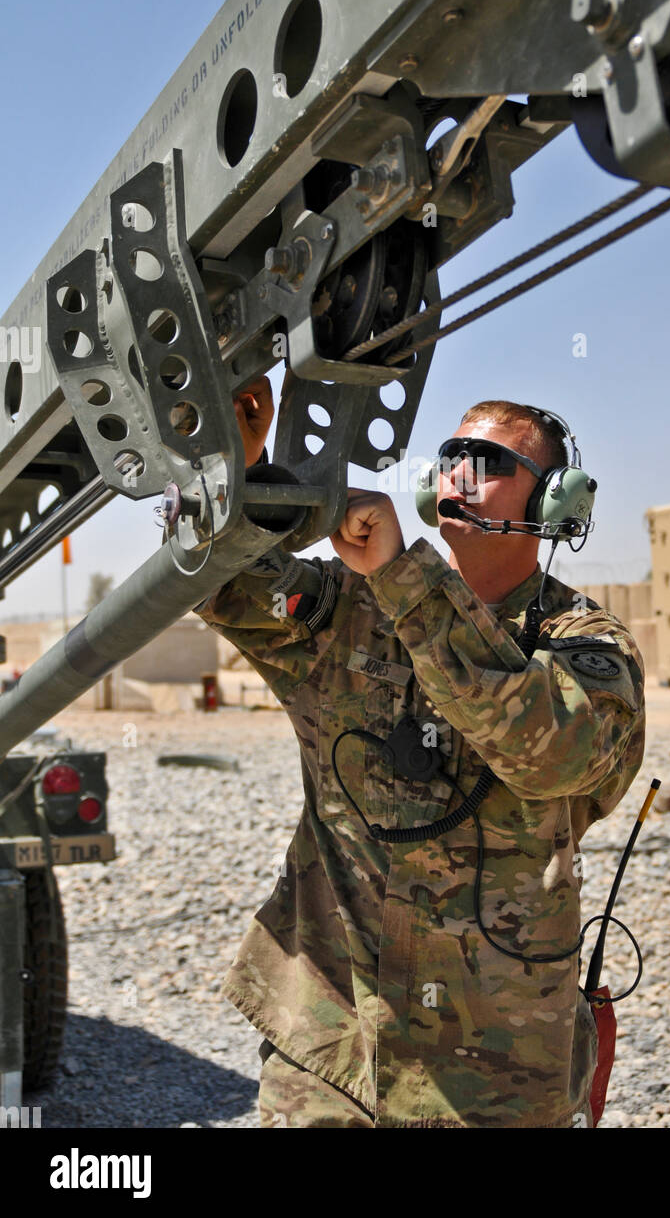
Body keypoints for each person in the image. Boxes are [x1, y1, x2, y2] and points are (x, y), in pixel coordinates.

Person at [194, 377, 646, 1128]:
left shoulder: (586, 647)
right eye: (450, 458)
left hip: (491, 1071)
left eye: (489, 462)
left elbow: (550, 754)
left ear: (551, 504)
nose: (460, 476)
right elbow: (232, 587)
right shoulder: (348, 608)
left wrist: (404, 577)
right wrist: (240, 471)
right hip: (331, 1043)